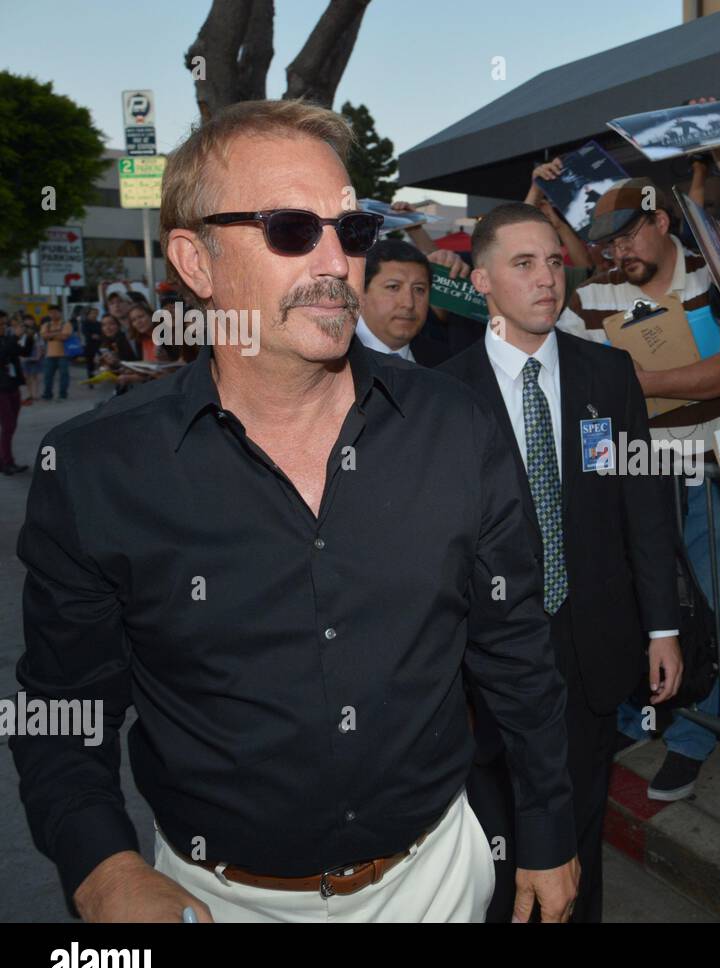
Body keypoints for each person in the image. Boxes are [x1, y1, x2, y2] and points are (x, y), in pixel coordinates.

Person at [11, 99, 579, 924]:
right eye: (288, 228)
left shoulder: (455, 427)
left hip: (439, 881)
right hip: (212, 900)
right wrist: (102, 870)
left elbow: (516, 653)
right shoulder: (102, 471)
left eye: (350, 231)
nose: (335, 262)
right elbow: (62, 707)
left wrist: (548, 828)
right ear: (195, 263)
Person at [440, 201, 681, 921]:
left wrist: (662, 625)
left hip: (591, 644)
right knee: (493, 841)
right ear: (481, 280)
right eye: (523, 264)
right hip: (481, 659)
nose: (547, 278)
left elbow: (642, 503)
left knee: (577, 833)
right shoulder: (441, 394)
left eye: (553, 261)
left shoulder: (608, 375)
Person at [556, 177, 720, 803]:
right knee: (635, 604)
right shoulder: (590, 295)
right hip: (632, 474)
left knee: (705, 608)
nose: (616, 254)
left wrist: (635, 381)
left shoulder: (714, 275)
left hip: (707, 474)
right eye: (606, 244)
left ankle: (691, 742)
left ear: (662, 223)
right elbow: (571, 383)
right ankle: (634, 717)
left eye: (626, 237)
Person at [355, 237, 476, 367]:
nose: (409, 303)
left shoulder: (447, 364)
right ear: (361, 292)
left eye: (419, 290)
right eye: (393, 287)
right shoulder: (335, 356)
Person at [0, 318, 25, 474]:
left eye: (4, 324)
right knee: (8, 425)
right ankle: (7, 462)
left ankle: (4, 459)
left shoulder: (6, 339)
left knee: (11, 424)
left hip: (12, 385)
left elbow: (23, 352)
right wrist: (15, 337)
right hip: (1, 388)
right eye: (0, 325)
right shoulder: (8, 340)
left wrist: (27, 336)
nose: (3, 327)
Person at [39, 306, 71, 401]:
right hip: (49, 355)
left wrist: (50, 335)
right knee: (47, 376)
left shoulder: (66, 324)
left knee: (64, 376)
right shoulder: (46, 325)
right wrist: (58, 334)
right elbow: (43, 336)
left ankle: (63, 394)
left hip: (64, 354)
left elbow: (65, 337)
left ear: (60, 313)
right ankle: (47, 394)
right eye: (51, 312)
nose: (53, 314)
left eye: (55, 312)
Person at [79, 307, 102, 379]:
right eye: (92, 313)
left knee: (103, 360)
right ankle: (91, 378)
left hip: (99, 344)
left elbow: (103, 333)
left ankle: (102, 375)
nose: (94, 314)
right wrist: (93, 336)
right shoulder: (85, 323)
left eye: (96, 313)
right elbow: (85, 333)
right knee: (90, 363)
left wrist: (99, 336)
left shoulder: (99, 323)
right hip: (89, 345)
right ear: (88, 314)